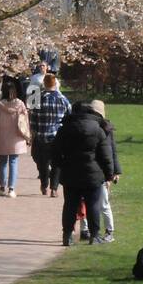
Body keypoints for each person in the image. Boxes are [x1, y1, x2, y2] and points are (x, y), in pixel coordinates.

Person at [52, 101, 114, 245]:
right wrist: (109, 174)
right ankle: (94, 235)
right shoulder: (97, 129)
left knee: (70, 205)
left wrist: (63, 166)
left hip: (70, 173)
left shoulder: (65, 128)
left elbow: (55, 152)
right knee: (93, 205)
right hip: (93, 174)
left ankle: (67, 235)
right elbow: (105, 154)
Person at [85, 99, 121, 241]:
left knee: (103, 202)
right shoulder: (90, 127)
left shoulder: (106, 129)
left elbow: (112, 151)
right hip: (91, 169)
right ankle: (86, 229)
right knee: (88, 202)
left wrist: (113, 173)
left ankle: (109, 231)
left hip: (102, 171)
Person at [0, 78, 31, 197]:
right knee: (14, 162)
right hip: (16, 138)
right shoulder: (20, 104)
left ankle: (2, 187)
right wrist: (27, 137)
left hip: (2, 138)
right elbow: (25, 122)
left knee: (2, 162)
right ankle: (11, 189)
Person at [32, 73, 71, 197]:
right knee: (56, 163)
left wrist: (34, 132)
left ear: (44, 84)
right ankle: (54, 188)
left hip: (41, 135)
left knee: (42, 163)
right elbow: (69, 117)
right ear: (55, 84)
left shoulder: (37, 98)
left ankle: (44, 184)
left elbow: (33, 119)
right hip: (57, 136)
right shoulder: (63, 99)